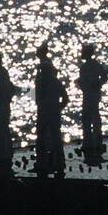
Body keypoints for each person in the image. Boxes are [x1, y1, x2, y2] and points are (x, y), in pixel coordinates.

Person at [34, 43, 69, 178]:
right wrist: (58, 108)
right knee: (55, 139)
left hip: (44, 113)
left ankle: (42, 163)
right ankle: (59, 164)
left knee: (42, 139)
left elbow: (38, 96)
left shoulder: (42, 81)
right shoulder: (56, 82)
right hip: (53, 112)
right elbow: (65, 98)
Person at [76, 43, 108, 165]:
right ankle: (96, 141)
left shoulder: (85, 67)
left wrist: (85, 85)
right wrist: (99, 83)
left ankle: (89, 142)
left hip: (89, 94)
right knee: (94, 118)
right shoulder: (96, 65)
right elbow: (105, 76)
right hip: (93, 93)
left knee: (88, 119)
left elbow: (83, 81)